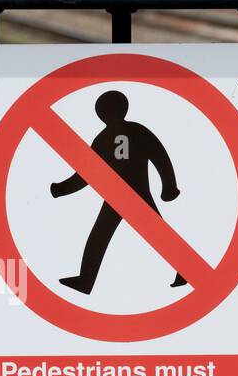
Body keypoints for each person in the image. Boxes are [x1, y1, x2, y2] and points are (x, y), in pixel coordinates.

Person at [51, 90, 185, 295]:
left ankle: (85, 281)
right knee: (154, 234)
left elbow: (85, 174)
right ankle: (85, 281)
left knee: (101, 236)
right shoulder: (138, 131)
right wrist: (169, 187)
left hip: (118, 195)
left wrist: (61, 189)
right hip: (135, 193)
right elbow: (160, 157)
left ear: (101, 113)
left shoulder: (103, 138)